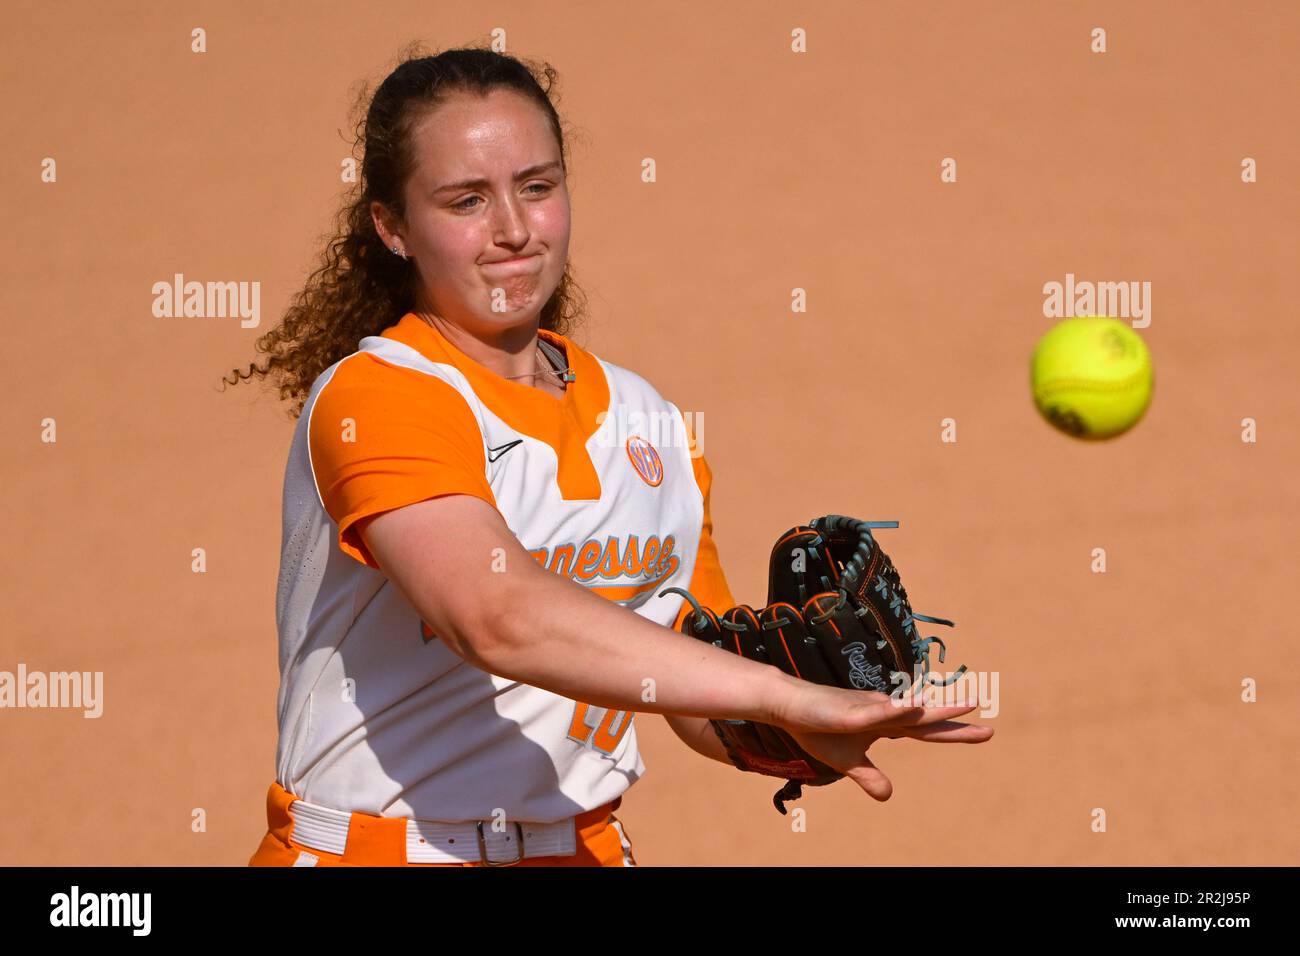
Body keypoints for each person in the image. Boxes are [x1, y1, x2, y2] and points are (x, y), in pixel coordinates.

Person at [227, 45, 993, 868]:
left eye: (538, 187)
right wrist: (779, 690)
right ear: (392, 227)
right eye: (466, 201)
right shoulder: (380, 397)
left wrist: (796, 726)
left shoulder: (646, 418)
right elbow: (493, 615)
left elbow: (686, 681)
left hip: (586, 851)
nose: (514, 230)